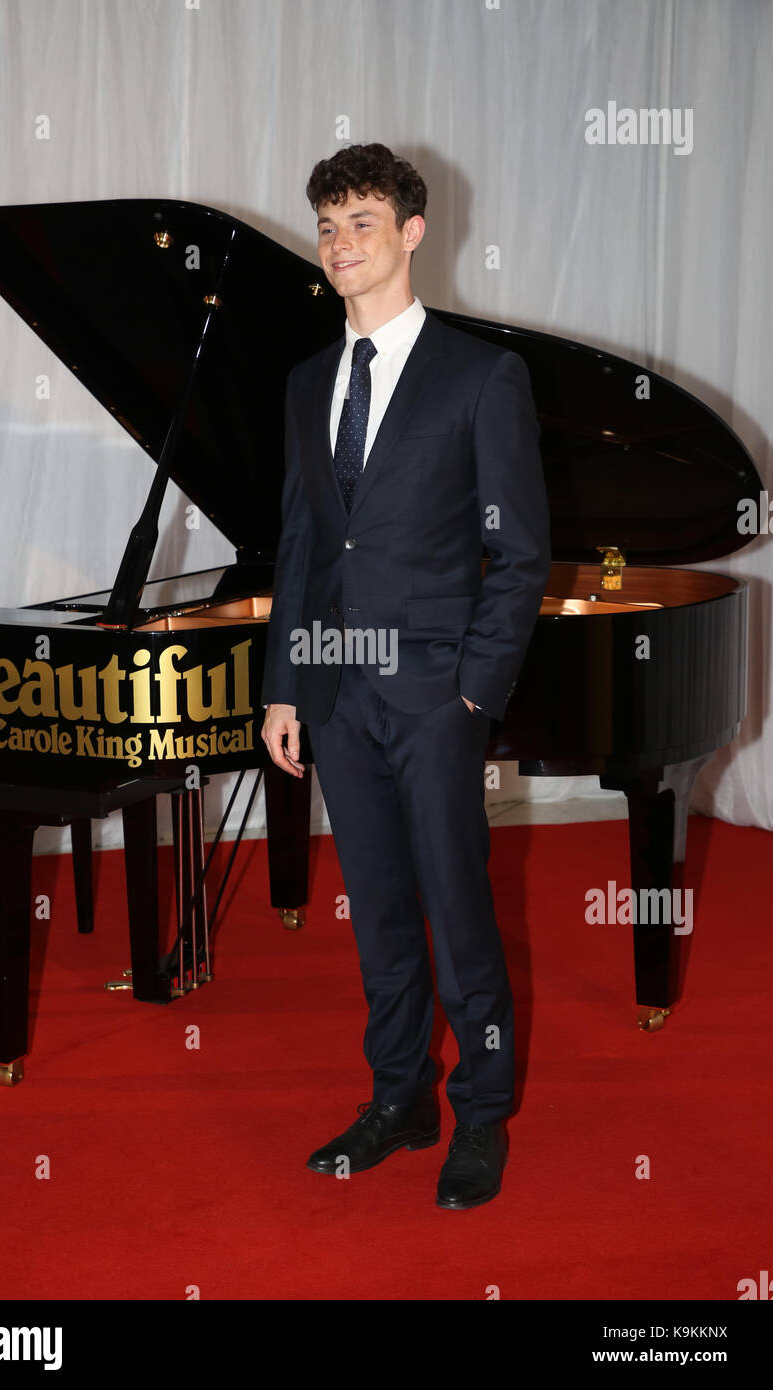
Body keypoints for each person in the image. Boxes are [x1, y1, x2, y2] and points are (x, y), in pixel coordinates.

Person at [261, 143, 551, 1209]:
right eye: (328, 226)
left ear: (412, 233)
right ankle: (398, 1099)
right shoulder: (304, 384)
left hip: (434, 696)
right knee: (375, 912)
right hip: (335, 694)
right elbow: (299, 544)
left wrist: (472, 692)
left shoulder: (481, 376)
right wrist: (285, 685)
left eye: (363, 222)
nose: (341, 244)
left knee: (457, 912)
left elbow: (519, 553)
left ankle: (480, 1113)